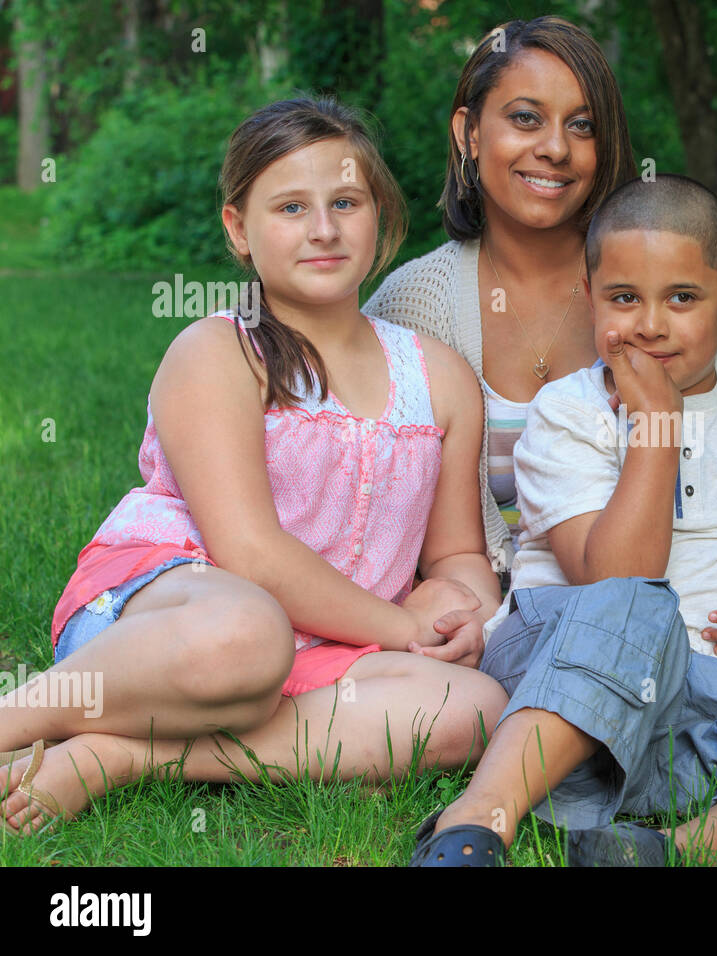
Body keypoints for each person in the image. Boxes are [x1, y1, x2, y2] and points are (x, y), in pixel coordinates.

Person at [0, 97, 506, 835]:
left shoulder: (440, 378)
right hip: (180, 621)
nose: (324, 229)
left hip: (337, 648)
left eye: (345, 202)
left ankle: (121, 755)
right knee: (248, 636)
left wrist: (466, 612)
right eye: (291, 208)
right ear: (240, 228)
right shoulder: (220, 352)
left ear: (381, 216)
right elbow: (249, 555)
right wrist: (401, 626)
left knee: (475, 708)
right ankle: (19, 718)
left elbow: (457, 550)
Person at [362, 15, 717, 707]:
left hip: (702, 611)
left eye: (582, 126)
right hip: (520, 628)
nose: (555, 148)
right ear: (468, 133)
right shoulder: (414, 304)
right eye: (525, 118)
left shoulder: (677, 291)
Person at [407, 174, 717, 867]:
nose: (649, 323)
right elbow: (616, 576)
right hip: (564, 678)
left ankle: (658, 851)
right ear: (590, 299)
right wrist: (657, 426)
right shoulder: (568, 414)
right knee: (638, 606)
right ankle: (478, 818)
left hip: (699, 705)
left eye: (681, 298)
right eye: (623, 298)